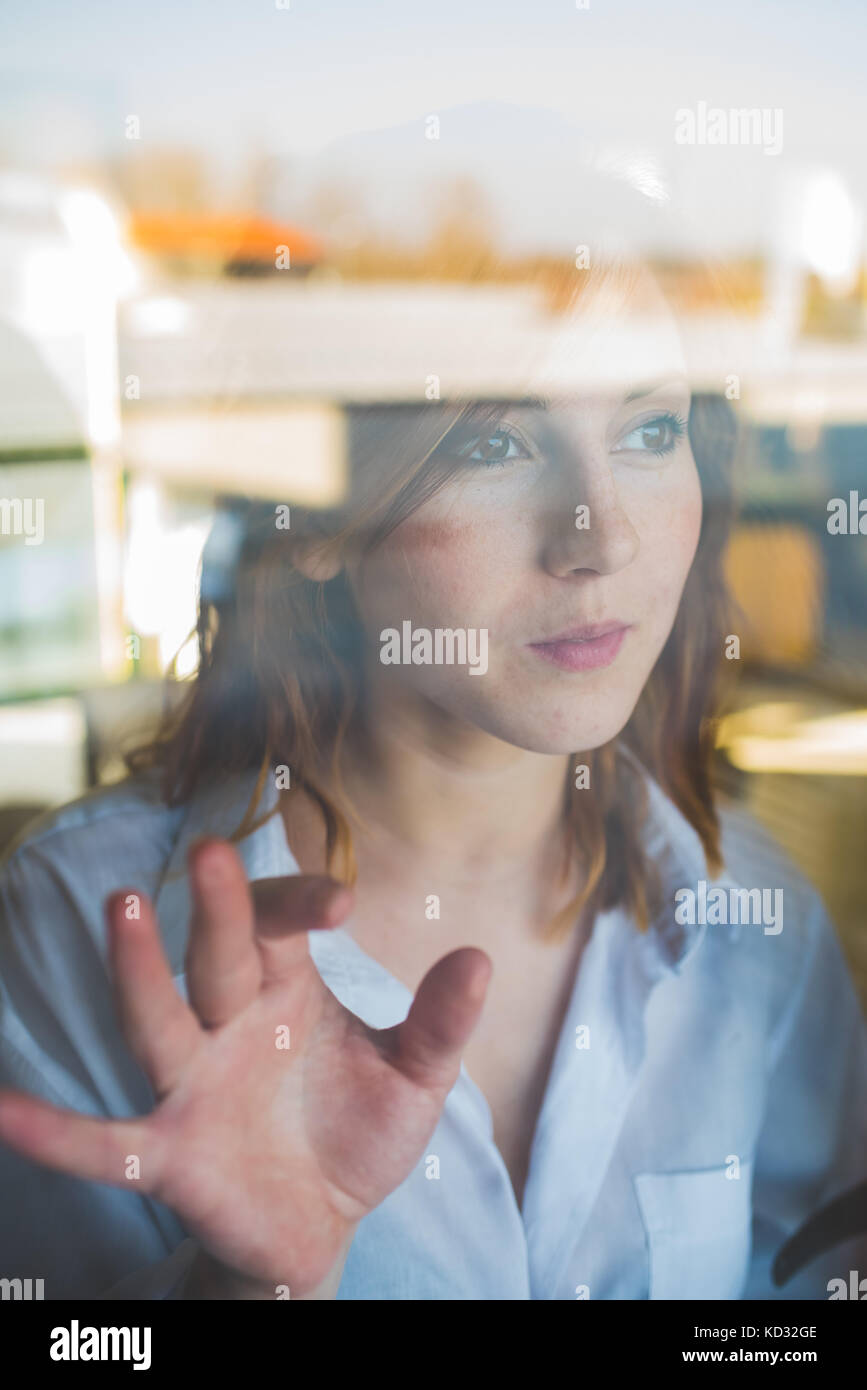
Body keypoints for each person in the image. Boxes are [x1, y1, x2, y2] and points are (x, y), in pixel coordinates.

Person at [1, 208, 866, 1301]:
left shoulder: (759, 928)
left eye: (652, 431)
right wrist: (234, 1292)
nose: (604, 537)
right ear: (311, 514)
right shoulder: (79, 921)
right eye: (494, 442)